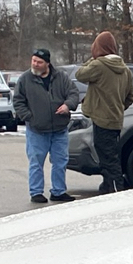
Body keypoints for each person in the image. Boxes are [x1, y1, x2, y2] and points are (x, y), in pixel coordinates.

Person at [12, 48, 79, 204]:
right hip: (37, 130)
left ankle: (58, 191)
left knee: (60, 161)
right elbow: (18, 101)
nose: (35, 64)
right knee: (36, 161)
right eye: (33, 60)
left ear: (47, 63)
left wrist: (68, 105)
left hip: (59, 129)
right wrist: (29, 117)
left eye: (39, 62)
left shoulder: (61, 77)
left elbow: (74, 93)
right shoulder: (25, 79)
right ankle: (36, 192)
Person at [74, 31, 133, 192]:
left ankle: (115, 189)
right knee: (109, 154)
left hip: (101, 119)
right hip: (115, 120)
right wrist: (118, 108)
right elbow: (130, 97)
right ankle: (107, 186)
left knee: (108, 159)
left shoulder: (99, 65)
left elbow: (80, 74)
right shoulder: (125, 69)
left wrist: (94, 58)